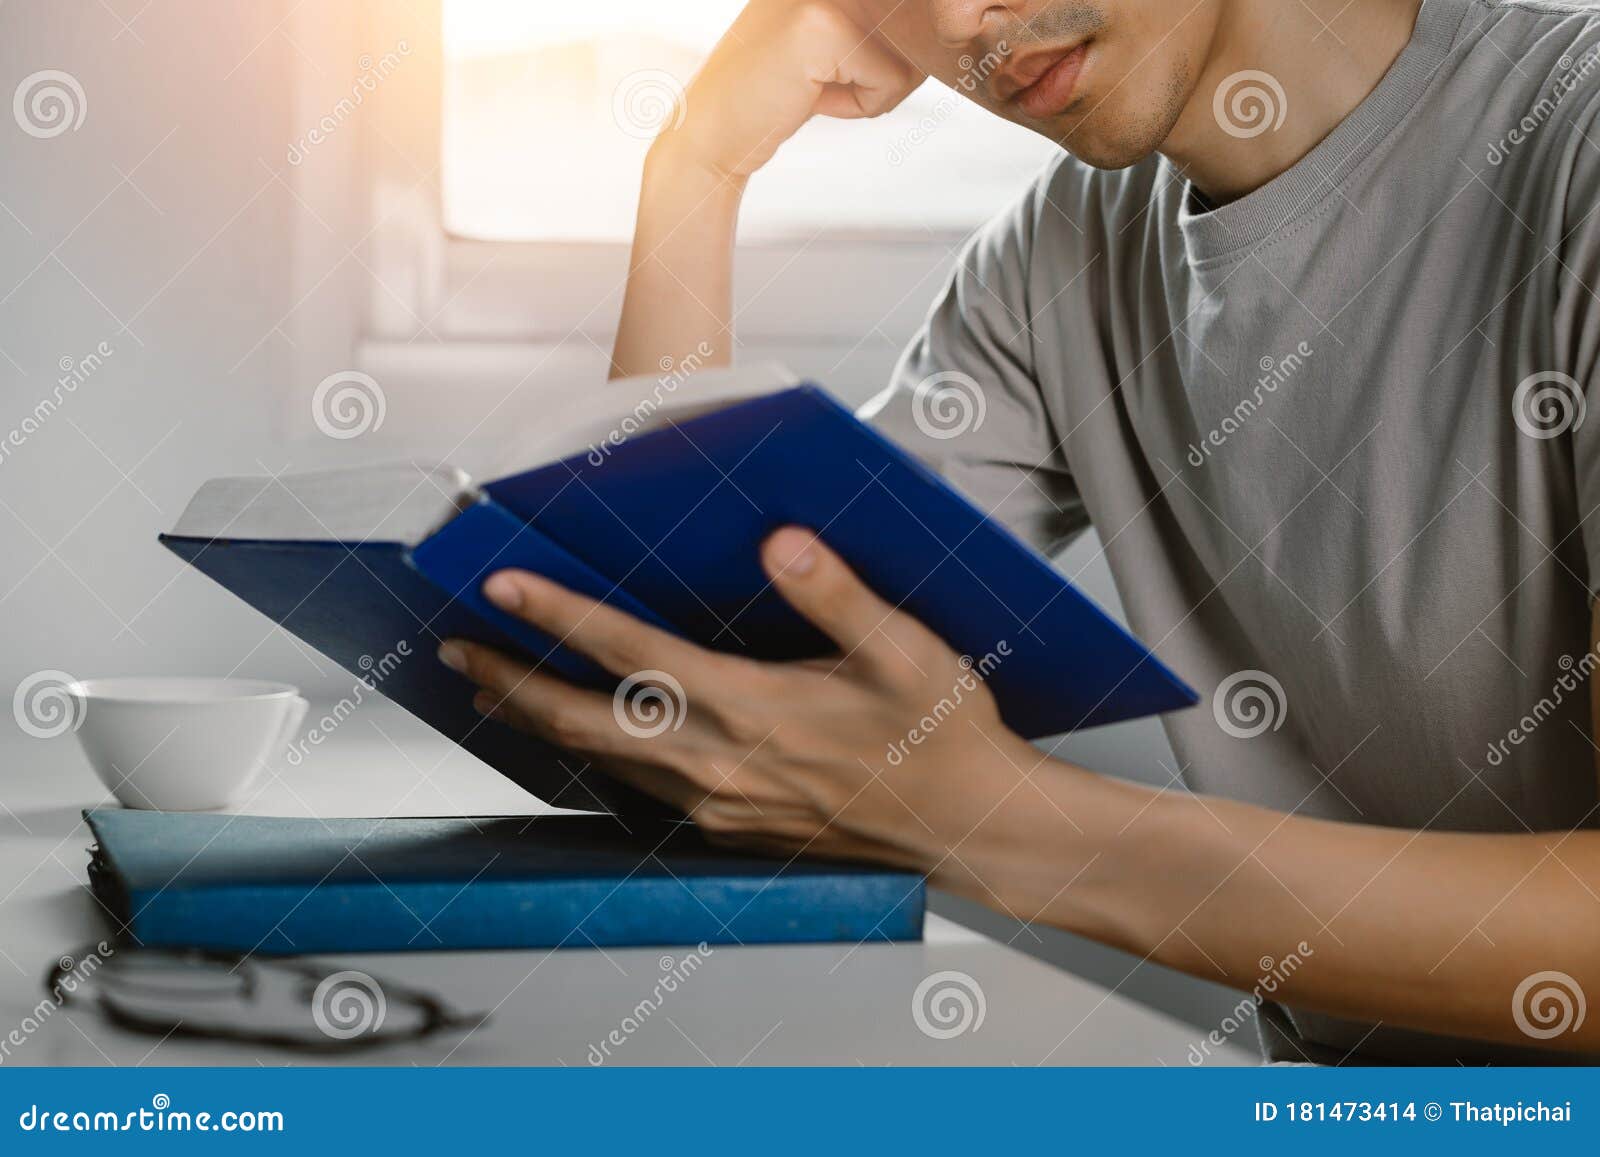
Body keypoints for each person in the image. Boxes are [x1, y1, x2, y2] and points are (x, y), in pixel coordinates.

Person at [434, 0, 1600, 1064]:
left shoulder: (1573, 138)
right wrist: (697, 164)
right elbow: (708, 707)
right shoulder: (1061, 255)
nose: (952, 21)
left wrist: (1007, 826)